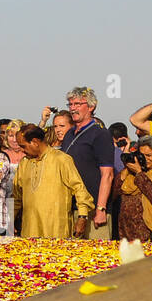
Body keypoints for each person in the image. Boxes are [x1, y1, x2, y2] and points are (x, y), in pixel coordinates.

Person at [12, 124, 93, 239]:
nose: (21, 150)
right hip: (30, 230)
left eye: (23, 146)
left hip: (56, 229)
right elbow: (16, 197)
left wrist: (82, 217)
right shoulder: (24, 163)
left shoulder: (61, 159)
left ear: (35, 142)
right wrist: (10, 221)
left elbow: (79, 189)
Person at [59, 87, 115, 239]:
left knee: (97, 257)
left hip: (93, 208)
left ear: (91, 106)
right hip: (71, 206)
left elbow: (107, 174)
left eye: (78, 104)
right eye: (70, 104)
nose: (73, 108)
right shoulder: (69, 134)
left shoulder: (100, 133)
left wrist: (101, 209)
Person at [116, 136, 152, 242]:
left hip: (149, 234)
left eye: (148, 155)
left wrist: (139, 174)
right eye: (141, 155)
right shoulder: (132, 172)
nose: (144, 159)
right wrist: (127, 168)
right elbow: (116, 190)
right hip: (126, 234)